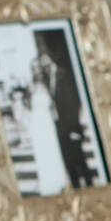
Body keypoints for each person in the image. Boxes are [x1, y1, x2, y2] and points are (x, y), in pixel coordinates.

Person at [29, 52, 70, 196]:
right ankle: (48, 184)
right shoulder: (31, 87)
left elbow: (53, 103)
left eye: (38, 67)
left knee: (53, 152)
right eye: (34, 68)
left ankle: (59, 181)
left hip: (48, 123)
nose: (37, 70)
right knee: (43, 154)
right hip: (38, 123)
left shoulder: (48, 83)